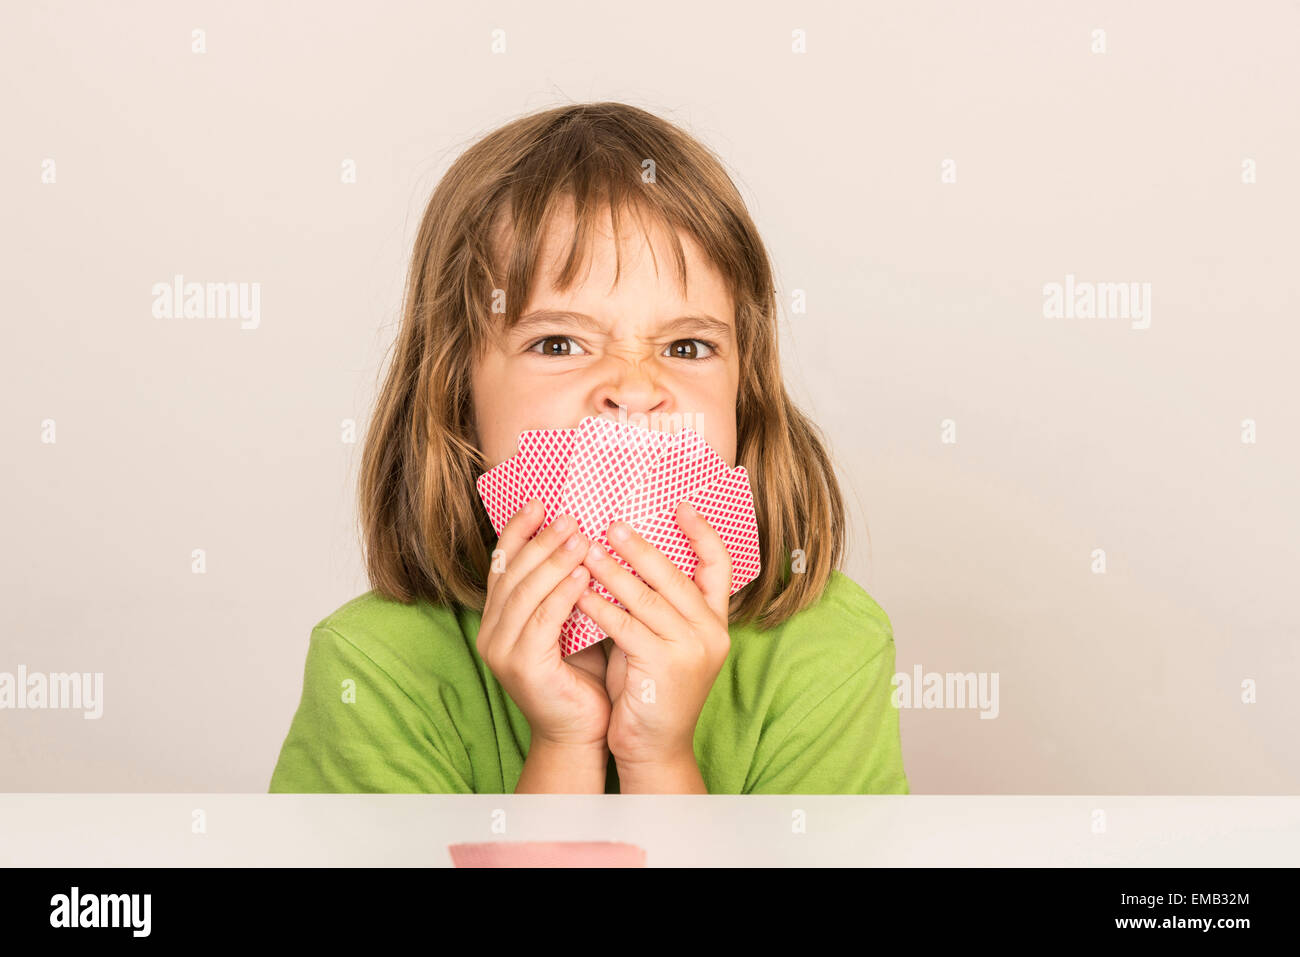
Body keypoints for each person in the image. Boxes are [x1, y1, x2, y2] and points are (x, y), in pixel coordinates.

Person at [268, 102, 908, 795]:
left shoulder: (829, 648)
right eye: (559, 343)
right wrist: (565, 742)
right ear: (456, 395)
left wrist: (658, 757)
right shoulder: (374, 668)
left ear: (744, 395)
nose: (634, 390)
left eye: (686, 346)